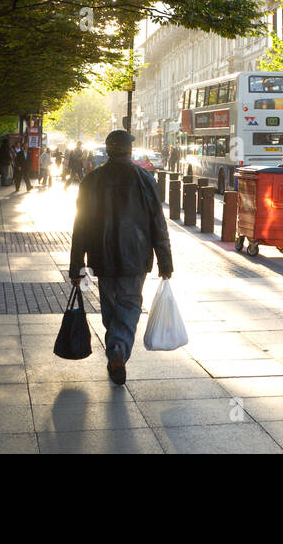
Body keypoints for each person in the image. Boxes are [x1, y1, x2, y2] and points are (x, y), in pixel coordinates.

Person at [69, 129, 173, 385]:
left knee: (110, 307)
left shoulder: (91, 180)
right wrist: (165, 260)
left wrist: (76, 266)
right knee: (129, 305)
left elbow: (80, 225)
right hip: (134, 257)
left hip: (101, 257)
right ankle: (117, 349)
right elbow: (157, 224)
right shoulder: (144, 179)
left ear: (108, 150)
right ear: (129, 150)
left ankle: (115, 347)